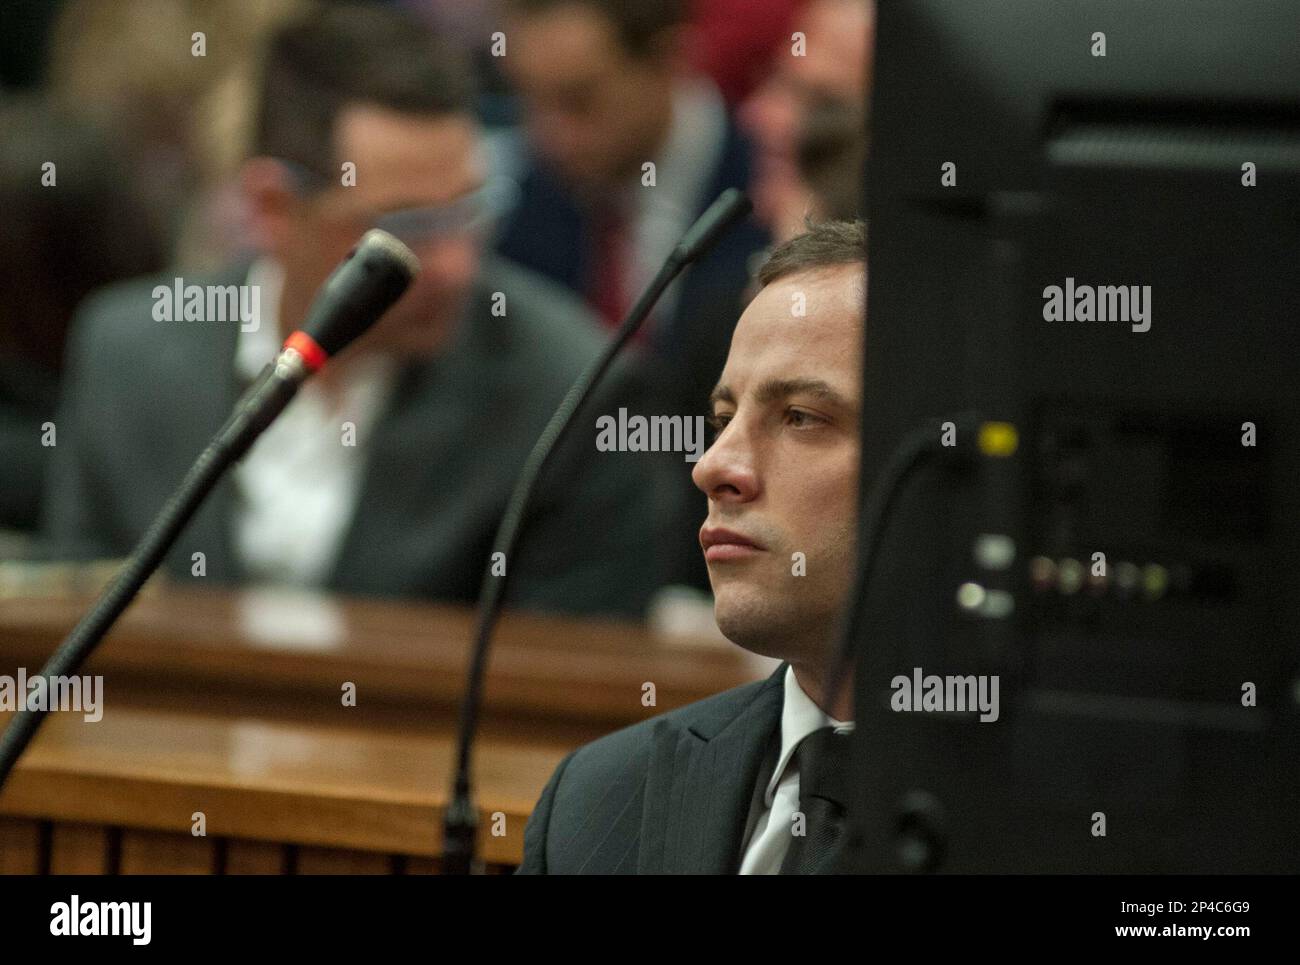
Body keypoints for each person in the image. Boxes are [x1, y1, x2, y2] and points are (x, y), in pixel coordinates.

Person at [40, 3, 662, 618]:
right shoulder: (126, 351)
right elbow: (73, 617)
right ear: (273, 208)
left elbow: (570, 684)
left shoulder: (569, 388)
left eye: (471, 212)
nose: (455, 266)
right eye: (408, 227)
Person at [519, 218, 866, 873]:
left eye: (799, 417)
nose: (713, 466)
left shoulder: (1074, 821)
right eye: (722, 418)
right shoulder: (599, 801)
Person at [494, 0, 770, 593]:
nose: (548, 134)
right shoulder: (532, 207)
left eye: (578, 100)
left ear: (672, 57)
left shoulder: (771, 187)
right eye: (530, 100)